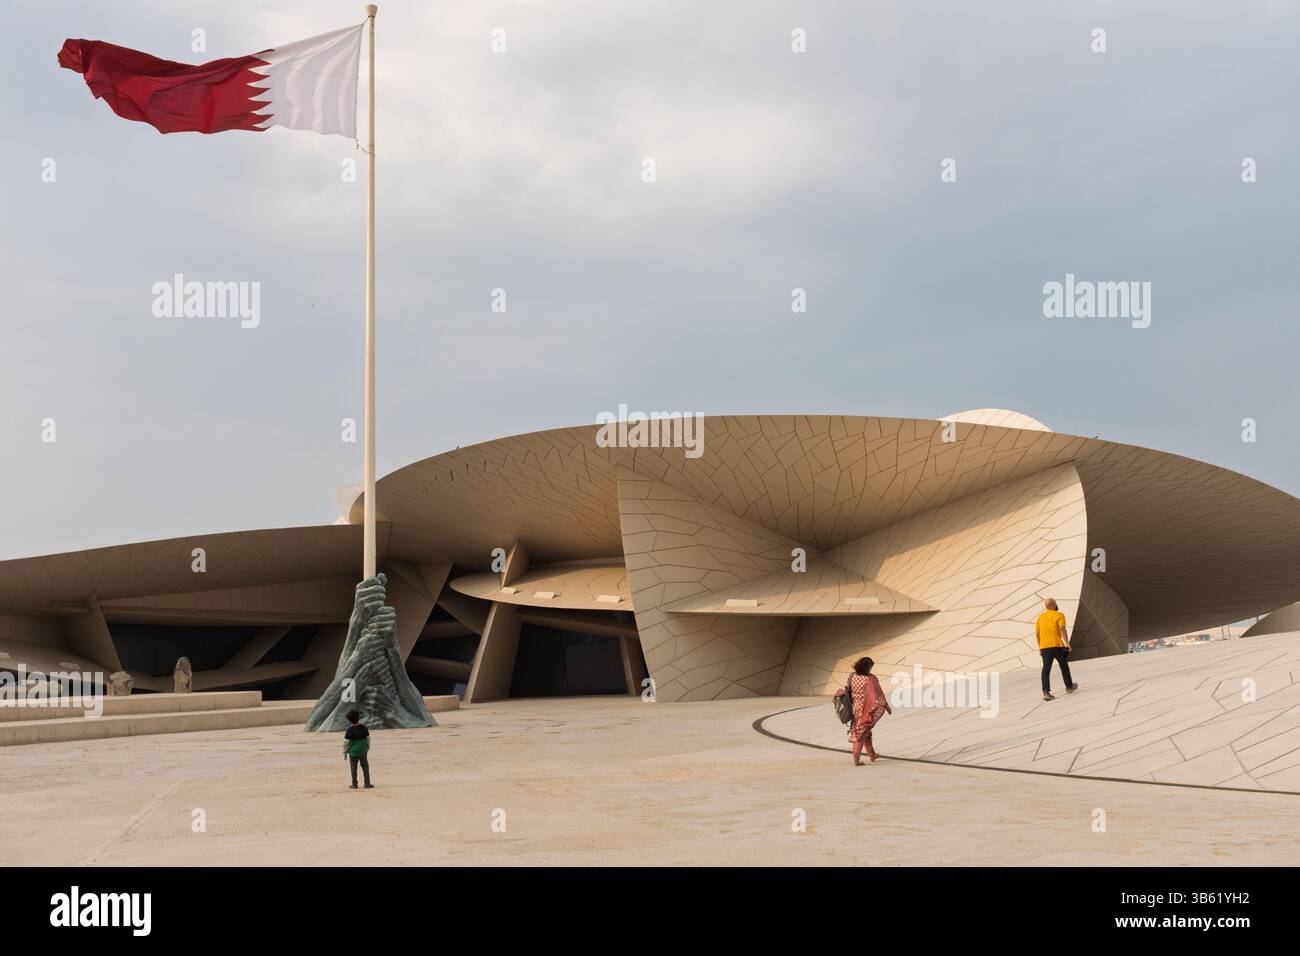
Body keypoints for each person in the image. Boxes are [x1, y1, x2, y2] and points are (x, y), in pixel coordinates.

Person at [846, 656, 891, 765]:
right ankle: (856, 760)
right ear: (867, 667)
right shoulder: (870, 679)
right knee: (861, 734)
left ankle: (872, 755)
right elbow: (878, 694)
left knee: (866, 733)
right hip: (865, 710)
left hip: (855, 708)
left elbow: (848, 690)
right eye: (871, 667)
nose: (871, 669)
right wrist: (886, 706)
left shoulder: (853, 676)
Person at [1036, 598, 1078, 701]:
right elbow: (1062, 628)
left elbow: (1037, 634)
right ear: (1055, 605)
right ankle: (1069, 686)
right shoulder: (1059, 615)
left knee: (1046, 669)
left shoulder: (1040, 617)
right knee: (1064, 665)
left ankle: (1046, 692)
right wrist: (1067, 643)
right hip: (1057, 646)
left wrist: (1040, 647)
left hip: (1044, 647)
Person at [343, 709, 373, 789]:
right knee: (365, 767)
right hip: (363, 751)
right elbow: (368, 739)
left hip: (353, 752)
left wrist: (345, 752)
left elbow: (346, 743)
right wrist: (367, 748)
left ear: (350, 720)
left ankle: (354, 784)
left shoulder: (349, 730)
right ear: (358, 718)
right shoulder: (364, 728)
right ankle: (367, 783)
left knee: (353, 768)